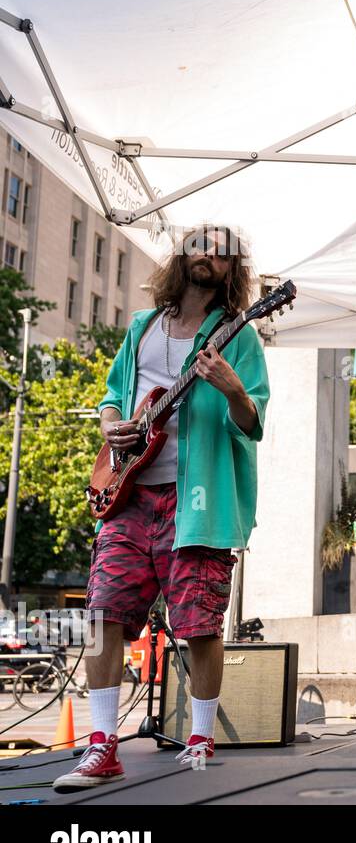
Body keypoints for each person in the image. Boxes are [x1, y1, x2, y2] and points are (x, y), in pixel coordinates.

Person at [54, 225, 270, 792]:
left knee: (198, 622)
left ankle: (200, 740)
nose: (209, 257)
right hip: (130, 492)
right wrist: (111, 426)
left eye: (223, 253)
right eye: (200, 246)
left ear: (232, 270)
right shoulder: (142, 327)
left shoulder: (238, 337)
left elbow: (253, 423)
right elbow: (111, 396)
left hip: (197, 502)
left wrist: (231, 388)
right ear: (182, 256)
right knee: (102, 613)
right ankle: (101, 747)